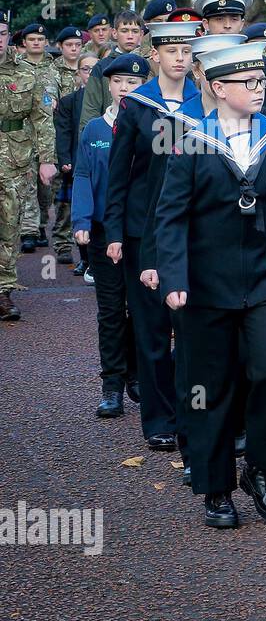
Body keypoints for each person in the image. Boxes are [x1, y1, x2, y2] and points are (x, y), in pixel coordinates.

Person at [155, 41, 266, 529]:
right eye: (248, 83)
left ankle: (261, 470)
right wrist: (172, 276)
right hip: (205, 285)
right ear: (218, 87)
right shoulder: (190, 138)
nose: (259, 90)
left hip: (265, 281)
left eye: (261, 81)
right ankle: (215, 486)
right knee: (209, 386)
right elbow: (170, 214)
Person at [102, 22, 202, 453]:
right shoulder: (137, 106)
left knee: (194, 329)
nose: (180, 58)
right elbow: (119, 174)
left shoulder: (206, 101)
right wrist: (115, 232)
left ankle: (190, 414)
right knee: (153, 331)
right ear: (154, 56)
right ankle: (159, 419)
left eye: (186, 50)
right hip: (145, 235)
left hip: (194, 232)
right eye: (171, 50)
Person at [72, 54, 144, 418]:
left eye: (132, 83)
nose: (125, 89)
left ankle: (137, 375)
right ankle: (112, 384)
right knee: (111, 309)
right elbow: (83, 174)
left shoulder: (154, 126)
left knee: (142, 309)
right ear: (108, 86)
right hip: (103, 231)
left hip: (140, 231)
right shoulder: (95, 130)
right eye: (118, 82)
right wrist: (81, 219)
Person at [0, 10, 57, 321]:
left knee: (9, 225)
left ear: (10, 36)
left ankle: (3, 292)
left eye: (2, 33)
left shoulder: (26, 72)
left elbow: (42, 118)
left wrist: (47, 159)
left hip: (14, 159)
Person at [14, 24, 62, 255]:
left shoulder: (54, 67)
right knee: (27, 183)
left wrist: (51, 100)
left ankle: (41, 224)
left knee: (46, 188)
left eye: (40, 39)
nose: (36, 43)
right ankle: (29, 231)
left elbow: (57, 92)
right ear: (24, 42)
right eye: (31, 39)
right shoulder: (16, 67)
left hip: (47, 133)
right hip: (21, 134)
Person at [55, 49, 98, 276]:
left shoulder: (108, 98)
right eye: (85, 69)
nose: (90, 73)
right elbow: (63, 132)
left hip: (102, 162)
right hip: (77, 163)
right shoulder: (69, 101)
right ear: (78, 72)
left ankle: (100, 258)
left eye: (95, 68)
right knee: (80, 212)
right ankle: (84, 259)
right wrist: (64, 160)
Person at [79, 10, 145, 137]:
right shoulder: (102, 66)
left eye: (135, 31)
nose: (130, 36)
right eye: (124, 31)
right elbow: (91, 108)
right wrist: (90, 140)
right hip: (109, 135)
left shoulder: (148, 64)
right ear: (114, 33)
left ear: (141, 34)